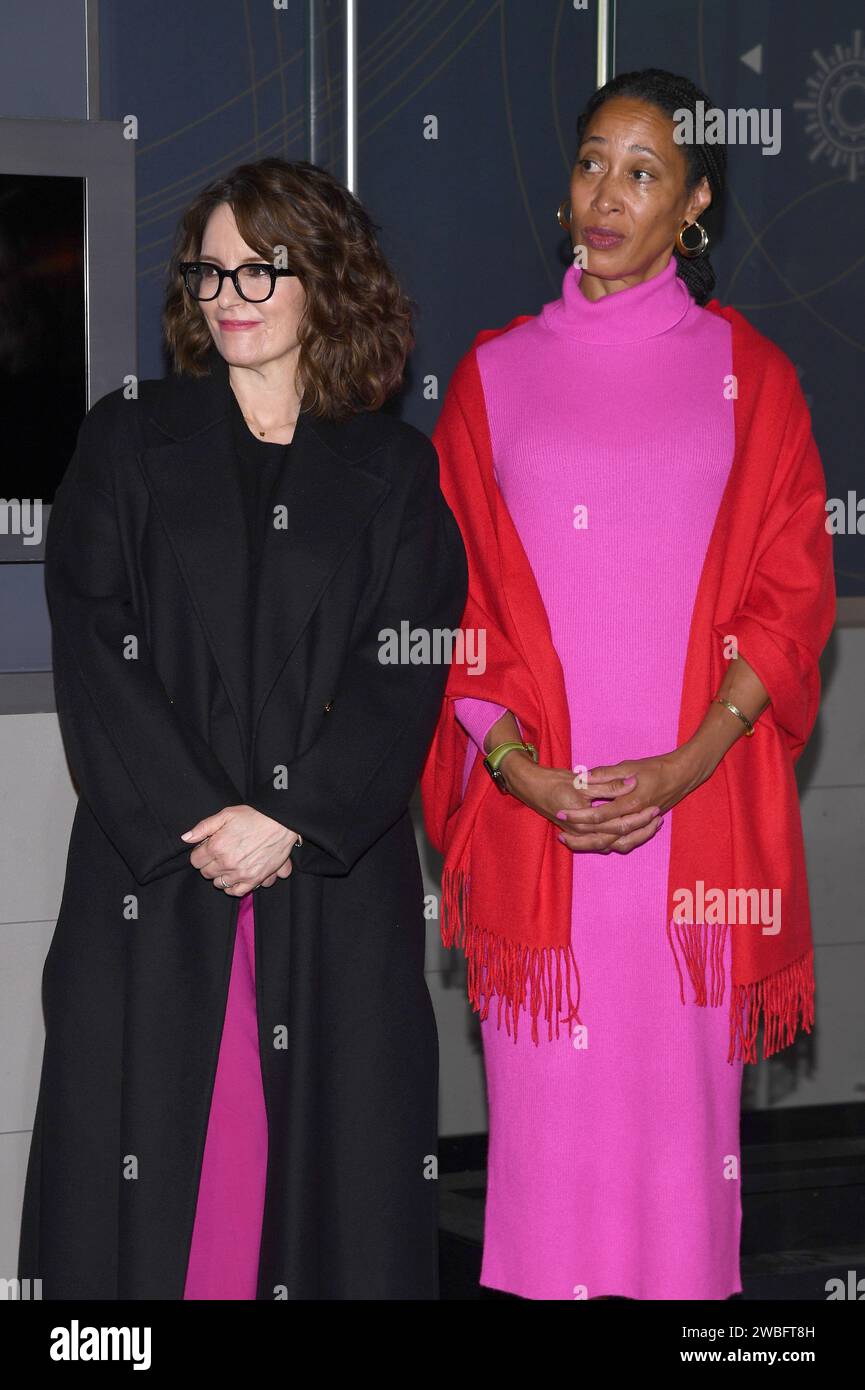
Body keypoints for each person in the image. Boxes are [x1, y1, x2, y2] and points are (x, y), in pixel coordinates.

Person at [19, 157, 468, 1300]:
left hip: (327, 886)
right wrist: (198, 819)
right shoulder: (126, 440)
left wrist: (291, 818)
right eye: (210, 269)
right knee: (145, 1193)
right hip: (156, 885)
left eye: (261, 266)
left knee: (329, 1184)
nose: (232, 291)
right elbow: (94, 636)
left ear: (324, 279)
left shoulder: (397, 472)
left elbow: (401, 666)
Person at [420, 69, 835, 1301]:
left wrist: (685, 764)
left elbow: (792, 597)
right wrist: (518, 770)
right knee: (547, 1189)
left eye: (643, 172)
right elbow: (451, 605)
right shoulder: (492, 376)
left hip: (689, 848)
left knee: (678, 1199)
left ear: (693, 204)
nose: (605, 195)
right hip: (541, 843)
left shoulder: (750, 379)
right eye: (592, 162)